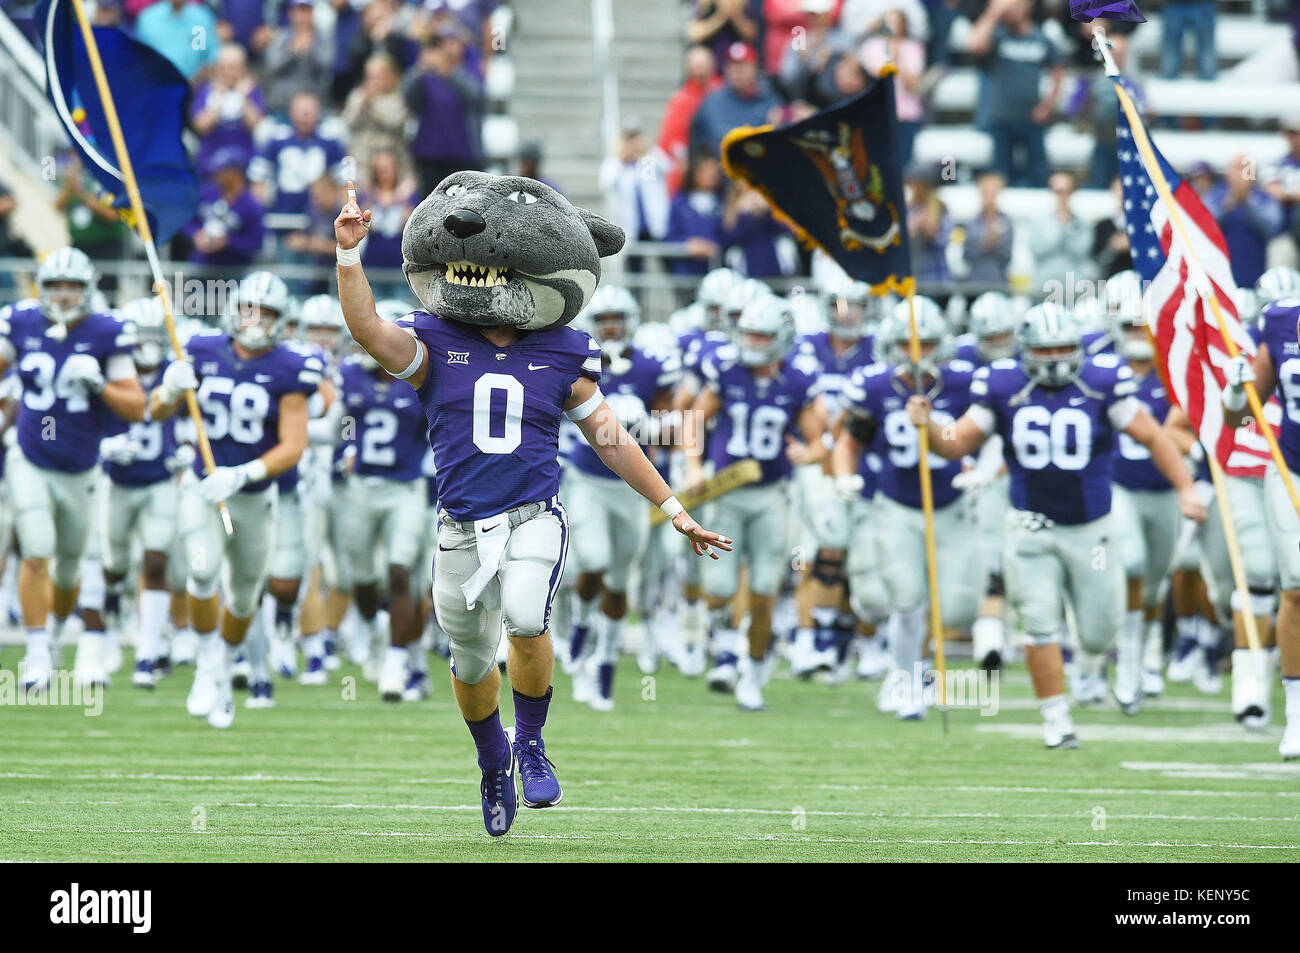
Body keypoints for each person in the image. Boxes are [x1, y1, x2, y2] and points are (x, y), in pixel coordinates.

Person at [334, 175, 730, 835]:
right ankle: (493, 761)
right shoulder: (434, 340)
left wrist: (671, 504)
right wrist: (349, 254)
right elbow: (367, 328)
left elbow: (610, 439)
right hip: (459, 526)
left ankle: (532, 740)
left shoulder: (563, 348)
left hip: (532, 515)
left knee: (525, 615)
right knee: (467, 658)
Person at [908, 303, 1204, 748]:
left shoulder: (1103, 381)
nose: (1055, 357)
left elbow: (1152, 436)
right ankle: (1056, 717)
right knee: (1039, 623)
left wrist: (1184, 488)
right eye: (1045, 349)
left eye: (1064, 347)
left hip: (1094, 531)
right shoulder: (1003, 383)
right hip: (1031, 526)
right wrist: (930, 425)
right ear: (1026, 350)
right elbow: (957, 444)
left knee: (1100, 630)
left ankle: (1088, 668)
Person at [150, 271, 321, 728]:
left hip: (254, 497)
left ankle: (224, 669)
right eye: (250, 308)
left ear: (282, 321)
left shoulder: (290, 366)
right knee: (202, 571)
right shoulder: (201, 349)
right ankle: (207, 664)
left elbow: (293, 445)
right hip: (202, 487)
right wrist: (169, 389)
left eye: (267, 312)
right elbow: (154, 411)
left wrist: (243, 472)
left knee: (244, 599)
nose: (257, 319)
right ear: (234, 308)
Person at [0, 248, 146, 691]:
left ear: (88, 289)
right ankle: (37, 650)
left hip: (82, 465)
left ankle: (58, 630)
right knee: (36, 550)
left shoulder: (107, 331)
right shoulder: (20, 321)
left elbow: (136, 405)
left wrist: (101, 384)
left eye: (72, 287)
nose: (63, 296)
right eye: (55, 286)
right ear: (41, 288)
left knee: (67, 570)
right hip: (30, 457)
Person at [833, 299, 981, 718]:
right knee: (906, 597)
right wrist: (844, 474)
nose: (917, 353)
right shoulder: (876, 386)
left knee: (954, 606)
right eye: (907, 343)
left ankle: (919, 673)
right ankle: (905, 679)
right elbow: (850, 439)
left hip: (950, 503)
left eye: (927, 343)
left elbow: (991, 434)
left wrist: (980, 469)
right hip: (896, 504)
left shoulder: (965, 382)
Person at [684, 295, 827, 710]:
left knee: (764, 590)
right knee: (719, 587)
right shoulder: (727, 371)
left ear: (781, 338)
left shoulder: (797, 381)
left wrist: (811, 453)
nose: (752, 341)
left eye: (762, 335)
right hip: (727, 492)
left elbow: (820, 438)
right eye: (749, 333)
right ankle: (725, 649)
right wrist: (694, 465)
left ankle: (752, 672)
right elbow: (695, 417)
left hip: (771, 494)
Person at [563, 286, 681, 710]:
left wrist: (644, 425)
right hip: (589, 478)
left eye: (618, 318)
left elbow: (677, 428)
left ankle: (606, 661)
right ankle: (579, 626)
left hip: (631, 488)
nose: (611, 326)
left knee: (618, 578)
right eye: (605, 318)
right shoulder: (577, 359)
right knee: (592, 561)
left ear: (630, 321)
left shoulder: (652, 367)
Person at [1222, 268, 1300, 759]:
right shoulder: (1279, 323)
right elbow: (1240, 416)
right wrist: (1236, 390)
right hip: (1292, 470)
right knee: (1294, 588)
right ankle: (1296, 715)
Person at [337, 309, 430, 702]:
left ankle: (396, 662)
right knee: (361, 578)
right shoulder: (351, 375)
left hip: (405, 488)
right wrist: (346, 445)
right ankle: (377, 629)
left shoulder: (420, 381)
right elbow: (346, 420)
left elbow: (438, 428)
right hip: (361, 487)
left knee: (400, 571)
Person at [99, 298, 191, 689]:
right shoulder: (112, 373)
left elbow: (194, 423)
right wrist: (103, 447)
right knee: (114, 565)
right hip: (117, 481)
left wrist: (185, 451)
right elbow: (87, 423)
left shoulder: (177, 372)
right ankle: (110, 620)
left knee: (156, 561)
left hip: (158, 481)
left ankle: (148, 651)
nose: (149, 343)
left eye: (156, 334)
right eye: (142, 335)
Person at [967, 0, 1063, 188]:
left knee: (1038, 174)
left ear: (1028, 6)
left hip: (1032, 119)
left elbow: (1058, 72)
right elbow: (974, 45)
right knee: (1001, 175)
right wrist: (994, 13)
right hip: (1001, 118)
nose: (1011, 10)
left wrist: (1047, 106)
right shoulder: (998, 36)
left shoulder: (1041, 38)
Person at [405, 32, 484, 194]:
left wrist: (450, 72)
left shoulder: (470, 66)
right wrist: (419, 69)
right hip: (430, 153)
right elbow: (407, 97)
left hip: (463, 153)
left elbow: (476, 95)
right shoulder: (426, 75)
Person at [689, 42, 784, 158]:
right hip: (719, 171)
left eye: (742, 65)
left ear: (754, 67)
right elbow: (695, 142)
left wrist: (779, 125)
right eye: (732, 65)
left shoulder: (770, 104)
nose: (736, 70)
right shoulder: (711, 102)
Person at [1206, 155, 1284, 291]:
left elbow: (1272, 228)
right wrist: (1229, 203)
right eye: (1238, 168)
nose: (1242, 173)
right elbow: (1205, 226)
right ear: (1227, 172)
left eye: (1247, 168)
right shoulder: (1214, 196)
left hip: (1256, 273)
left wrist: (1248, 202)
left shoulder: (1263, 198)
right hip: (1220, 274)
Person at [859, 7, 926, 165]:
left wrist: (900, 58)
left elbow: (914, 84)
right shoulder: (871, 47)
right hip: (878, 112)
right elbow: (876, 77)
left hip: (906, 114)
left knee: (904, 162)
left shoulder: (913, 47)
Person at [190, 44, 266, 180]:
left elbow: (255, 125)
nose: (228, 72)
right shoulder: (206, 90)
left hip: (244, 160)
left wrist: (243, 97)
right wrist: (219, 98)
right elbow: (201, 127)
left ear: (243, 69)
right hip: (211, 160)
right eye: (224, 67)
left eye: (234, 67)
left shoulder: (251, 90)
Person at [341, 53, 413, 192]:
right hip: (363, 158)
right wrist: (363, 103)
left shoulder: (398, 97)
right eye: (370, 76)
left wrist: (374, 103)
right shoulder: (358, 95)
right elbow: (348, 121)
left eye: (378, 76)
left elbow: (396, 122)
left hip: (392, 158)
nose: (373, 81)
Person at [659, 46, 722, 193]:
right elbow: (672, 138)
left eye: (703, 66)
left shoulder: (722, 92)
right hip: (691, 162)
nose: (701, 71)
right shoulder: (681, 99)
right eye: (697, 67)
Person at [262, 0, 334, 115]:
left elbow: (326, 66)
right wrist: (292, 52)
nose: (302, 16)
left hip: (314, 106)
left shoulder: (323, 38)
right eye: (299, 10)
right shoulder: (280, 37)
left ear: (312, 13)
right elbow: (272, 67)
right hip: (283, 104)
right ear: (291, 13)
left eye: (306, 11)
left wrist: (311, 49)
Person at [1029, 171, 1093, 296]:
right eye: (1058, 191)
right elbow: (1036, 250)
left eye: (1066, 191)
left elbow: (1081, 252)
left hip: (1073, 290)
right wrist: (1061, 229)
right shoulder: (1038, 221)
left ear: (1072, 192)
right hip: (1043, 287)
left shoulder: (1082, 223)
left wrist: (1066, 226)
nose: (1062, 196)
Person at [664, 152, 726, 277]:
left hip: (716, 273)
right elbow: (670, 237)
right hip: (687, 273)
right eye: (706, 169)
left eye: (714, 169)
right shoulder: (680, 202)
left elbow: (730, 234)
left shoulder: (724, 202)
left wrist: (714, 246)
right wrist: (688, 245)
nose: (711, 174)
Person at [134, 0, 221, 81]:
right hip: (157, 86)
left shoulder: (201, 17)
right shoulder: (147, 19)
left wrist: (195, 82)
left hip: (196, 89)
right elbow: (139, 59)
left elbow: (212, 57)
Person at [962, 170, 1013, 285]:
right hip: (974, 283)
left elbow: (1007, 256)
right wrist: (985, 243)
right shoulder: (972, 223)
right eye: (986, 193)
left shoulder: (1006, 222)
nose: (990, 198)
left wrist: (994, 243)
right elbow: (966, 255)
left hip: (999, 281)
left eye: (993, 193)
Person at [1263, 116, 1300, 268]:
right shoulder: (1278, 164)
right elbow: (1273, 190)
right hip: (1285, 232)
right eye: (1292, 133)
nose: (1295, 138)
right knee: (1280, 270)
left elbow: (1281, 192)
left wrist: (1288, 194)